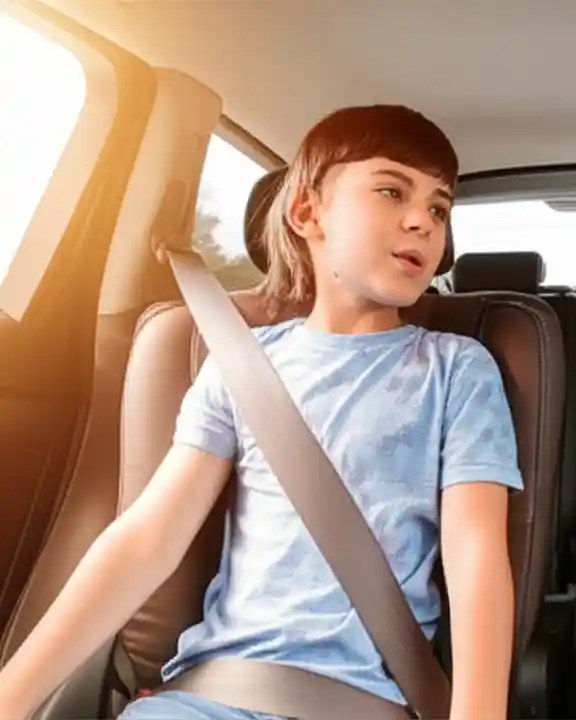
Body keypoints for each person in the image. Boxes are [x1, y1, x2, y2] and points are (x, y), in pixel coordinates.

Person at [0, 105, 522, 720]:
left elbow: (476, 556)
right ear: (307, 213)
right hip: (212, 695)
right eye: (390, 190)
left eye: (439, 208)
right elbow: (149, 538)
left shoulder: (458, 369)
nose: (422, 221)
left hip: (364, 701)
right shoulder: (241, 362)